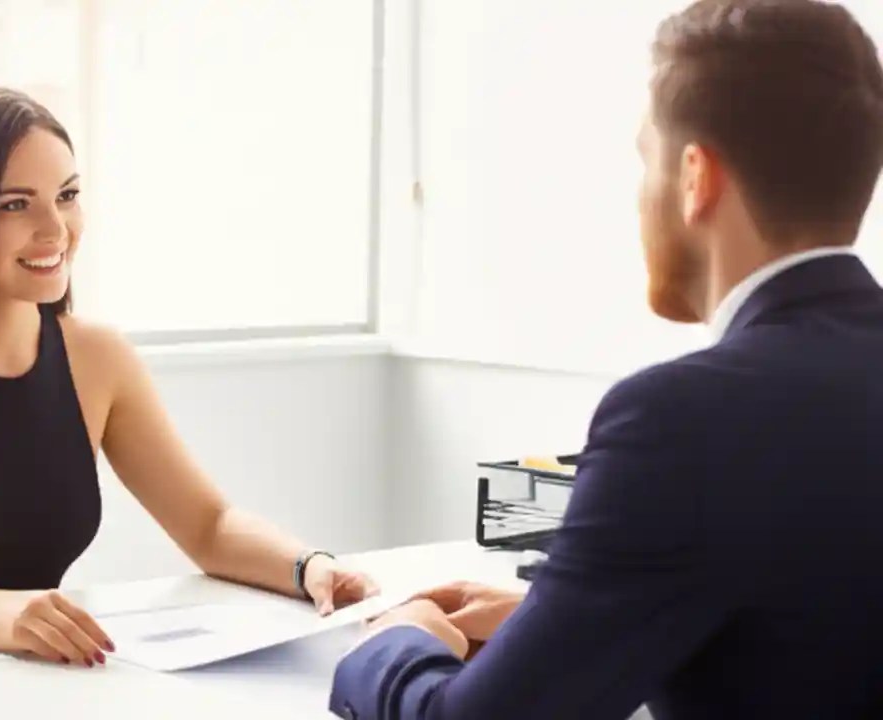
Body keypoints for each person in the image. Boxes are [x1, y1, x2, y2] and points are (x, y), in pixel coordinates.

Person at [331, 1, 883, 718]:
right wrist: (560, 621)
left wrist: (396, 640)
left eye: (642, 159)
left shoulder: (681, 420)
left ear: (694, 178)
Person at [0, 85, 377, 668]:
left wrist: (309, 566)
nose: (55, 228)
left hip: (47, 681)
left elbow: (209, 525)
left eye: (67, 195)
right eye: (15, 204)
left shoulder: (97, 358)